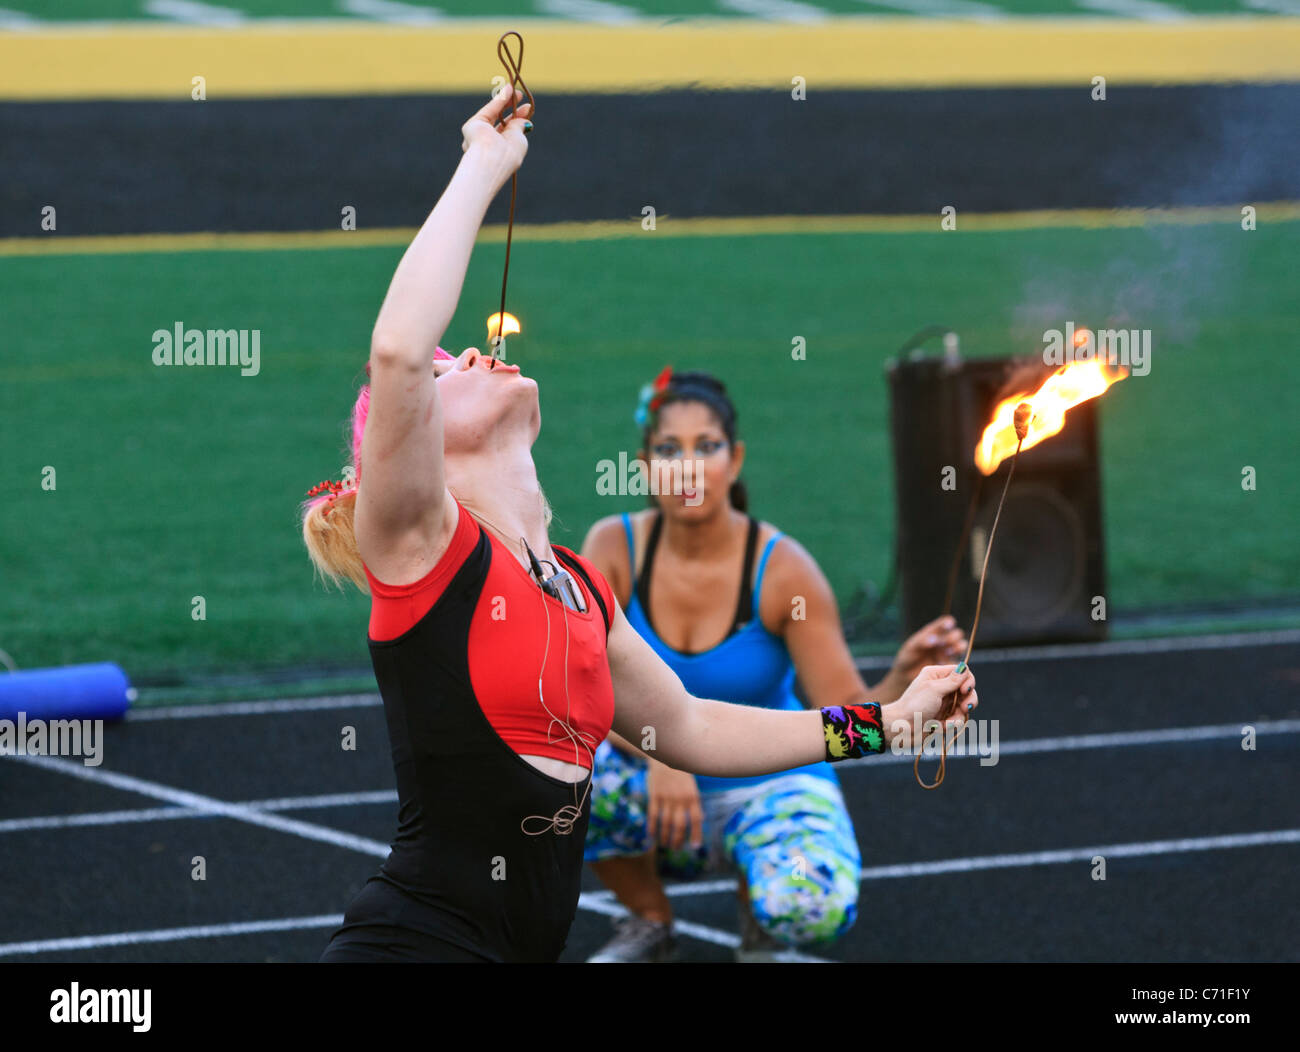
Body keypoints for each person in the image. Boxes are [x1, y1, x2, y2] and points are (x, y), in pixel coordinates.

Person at [300, 86, 978, 963]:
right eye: (448, 368)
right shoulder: (427, 551)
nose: (466, 351)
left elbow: (691, 729)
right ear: (420, 439)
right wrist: (483, 164)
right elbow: (396, 350)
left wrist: (887, 723)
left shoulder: (579, 585)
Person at [580, 370, 967, 962]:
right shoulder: (611, 548)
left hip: (767, 785)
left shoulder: (785, 570)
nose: (687, 468)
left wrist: (902, 685)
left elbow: (843, 712)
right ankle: (649, 920)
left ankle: (761, 919)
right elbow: (579, 691)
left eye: (706, 447)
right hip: (653, 793)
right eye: (667, 450)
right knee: (559, 767)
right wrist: (661, 754)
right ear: (644, 464)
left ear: (734, 461)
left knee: (811, 906)